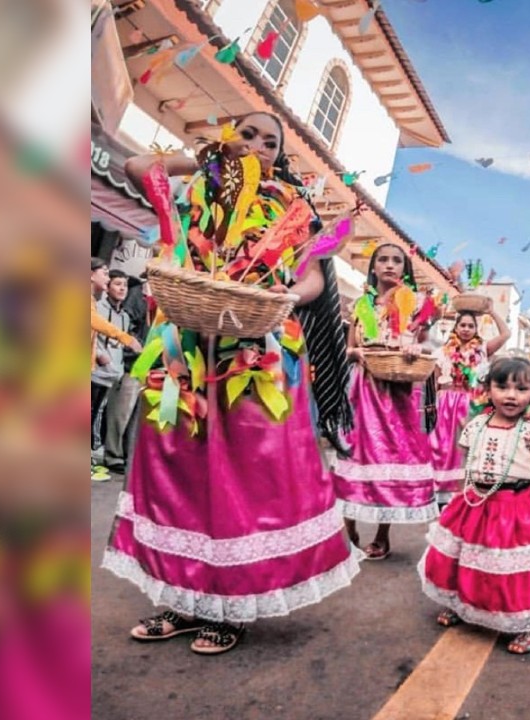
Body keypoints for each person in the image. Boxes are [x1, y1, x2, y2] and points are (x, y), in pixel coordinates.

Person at [102, 112, 360, 654]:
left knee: (245, 476)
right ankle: (181, 599)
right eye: (247, 134)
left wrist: (287, 293)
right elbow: (135, 164)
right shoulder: (198, 187)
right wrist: (197, 157)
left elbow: (313, 272)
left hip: (258, 352)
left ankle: (234, 601)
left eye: (271, 142)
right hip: (182, 351)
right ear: (226, 138)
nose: (258, 146)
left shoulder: (290, 204)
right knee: (178, 468)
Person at [419, 357, 530, 655]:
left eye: (521, 388)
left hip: (516, 509)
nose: (511, 396)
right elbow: (466, 464)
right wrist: (460, 497)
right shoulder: (475, 425)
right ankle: (463, 606)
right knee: (465, 559)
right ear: (487, 389)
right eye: (502, 387)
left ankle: (527, 624)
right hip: (474, 503)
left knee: (514, 569)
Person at [331, 243, 442, 559]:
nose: (390, 265)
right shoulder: (360, 305)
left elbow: (429, 344)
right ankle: (349, 526)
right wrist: (354, 353)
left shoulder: (416, 303)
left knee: (394, 459)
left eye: (397, 260)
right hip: (363, 390)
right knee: (355, 455)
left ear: (405, 269)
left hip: (400, 393)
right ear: (373, 267)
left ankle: (382, 533)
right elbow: (350, 349)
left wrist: (416, 349)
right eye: (383, 260)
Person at [430, 304, 511, 504]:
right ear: (456, 328)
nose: (466, 329)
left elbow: (506, 333)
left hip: (471, 404)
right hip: (446, 403)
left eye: (470, 326)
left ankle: (463, 490)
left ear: (476, 330)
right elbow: (434, 382)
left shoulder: (483, 350)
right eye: (462, 325)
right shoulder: (442, 351)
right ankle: (440, 492)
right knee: (442, 447)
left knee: (466, 448)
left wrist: (491, 312)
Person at [102, 275, 150, 473]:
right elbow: (128, 326)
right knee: (120, 412)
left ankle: (126, 455)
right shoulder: (138, 294)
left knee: (135, 414)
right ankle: (112, 455)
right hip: (133, 363)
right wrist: (136, 349)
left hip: (150, 364)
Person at [91, 269, 132, 480]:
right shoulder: (97, 307)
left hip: (113, 374)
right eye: (117, 284)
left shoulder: (125, 316)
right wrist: (99, 354)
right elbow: (93, 332)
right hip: (96, 371)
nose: (122, 288)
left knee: (98, 412)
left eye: (124, 285)